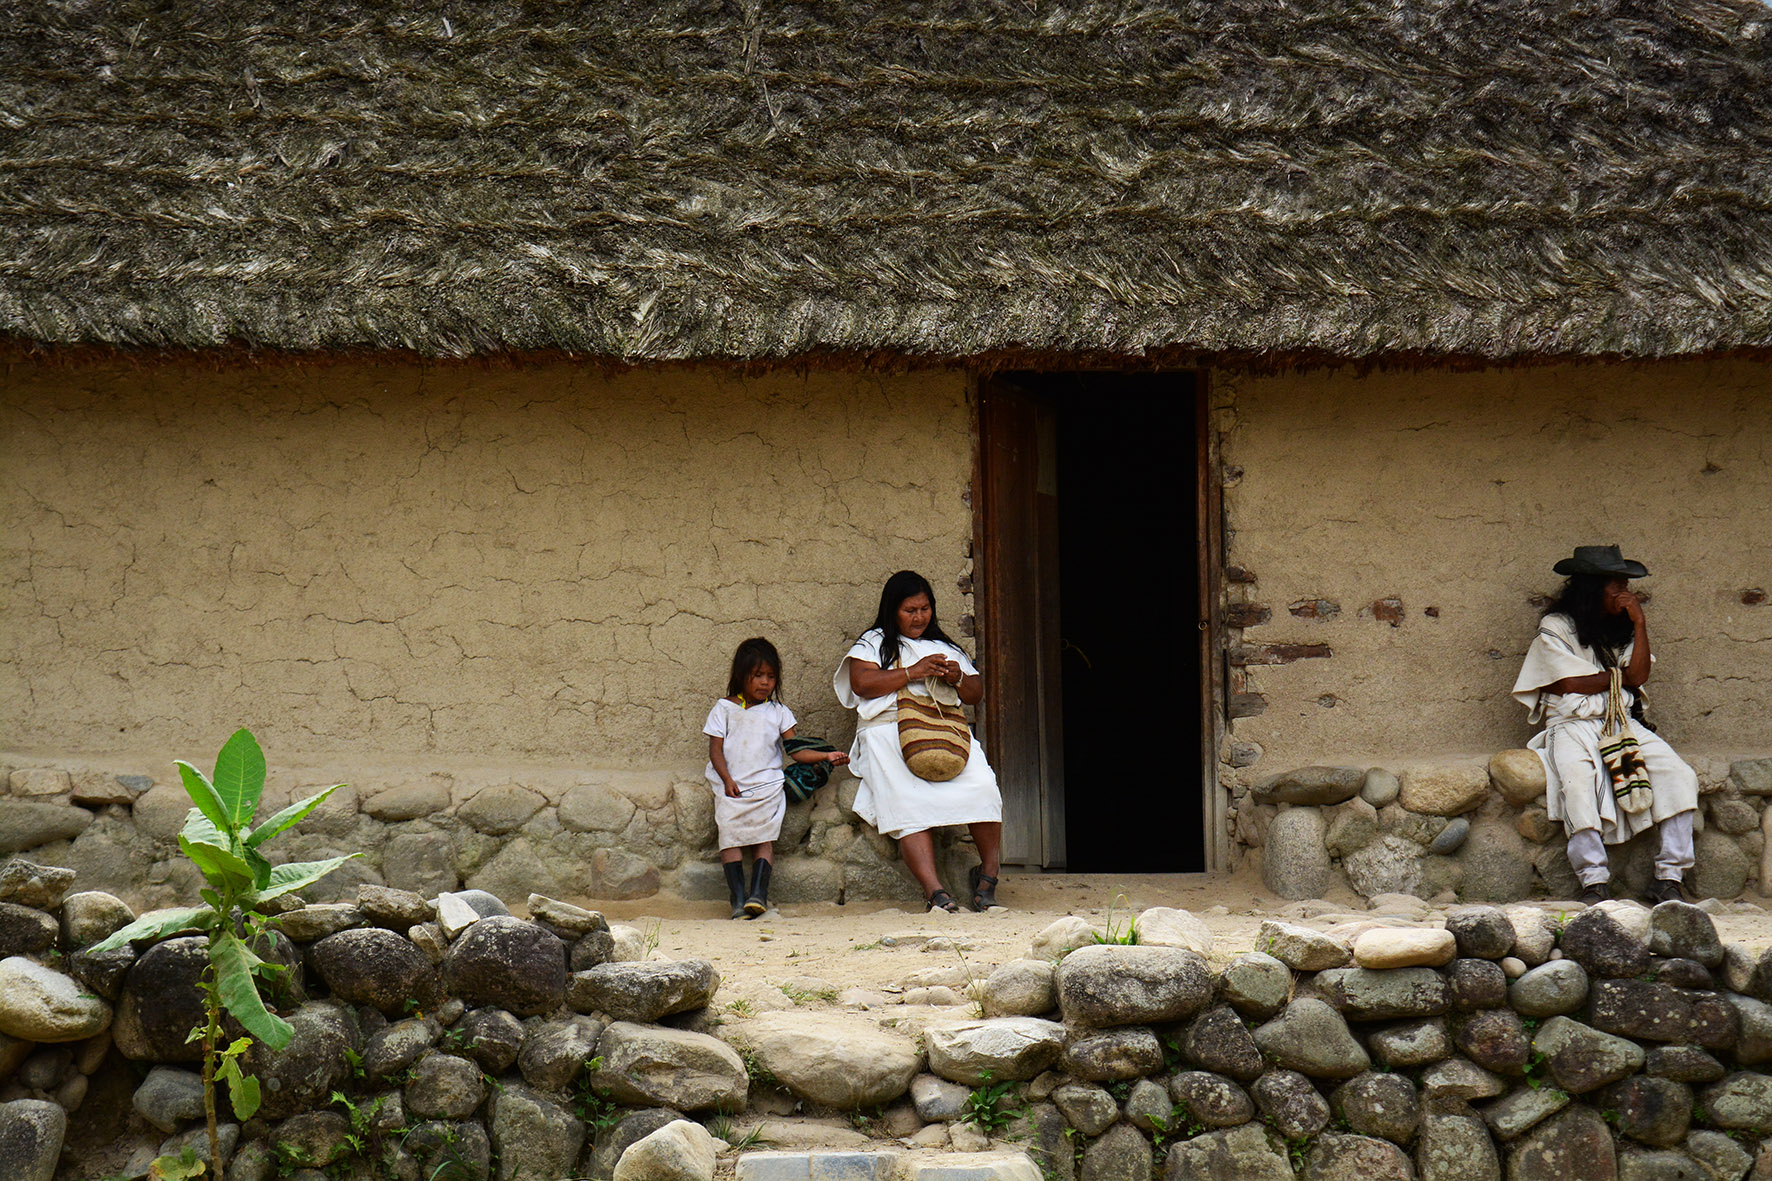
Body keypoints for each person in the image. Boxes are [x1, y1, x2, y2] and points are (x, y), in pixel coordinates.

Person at [1512, 545, 1699, 905]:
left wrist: (1640, 624)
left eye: (1626, 584)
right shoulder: (1556, 626)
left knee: (1680, 775)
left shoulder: (1623, 626)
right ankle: (1594, 882)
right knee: (1578, 784)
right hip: (1571, 725)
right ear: (1592, 588)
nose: (1624, 593)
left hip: (1621, 721)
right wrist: (1618, 677)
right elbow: (1569, 683)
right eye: (1617, 585)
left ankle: (1669, 877)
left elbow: (1638, 675)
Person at [834, 570, 1005, 913]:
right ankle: (935, 892)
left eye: (925, 609)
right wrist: (914, 671)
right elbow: (861, 684)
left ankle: (988, 876)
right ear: (892, 610)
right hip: (887, 732)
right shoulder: (874, 642)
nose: (918, 617)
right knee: (906, 803)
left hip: (943, 731)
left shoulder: (945, 647)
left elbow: (975, 693)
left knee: (984, 788)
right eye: (910, 610)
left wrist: (957, 676)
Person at [706, 637, 848, 919]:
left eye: (771, 677)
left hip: (768, 787)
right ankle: (737, 900)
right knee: (730, 838)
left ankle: (758, 895)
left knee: (765, 839)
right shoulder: (723, 709)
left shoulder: (779, 712)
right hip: (732, 787)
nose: (765, 682)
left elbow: (796, 750)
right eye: (758, 675)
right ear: (741, 675)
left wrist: (826, 756)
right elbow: (715, 750)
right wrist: (726, 779)